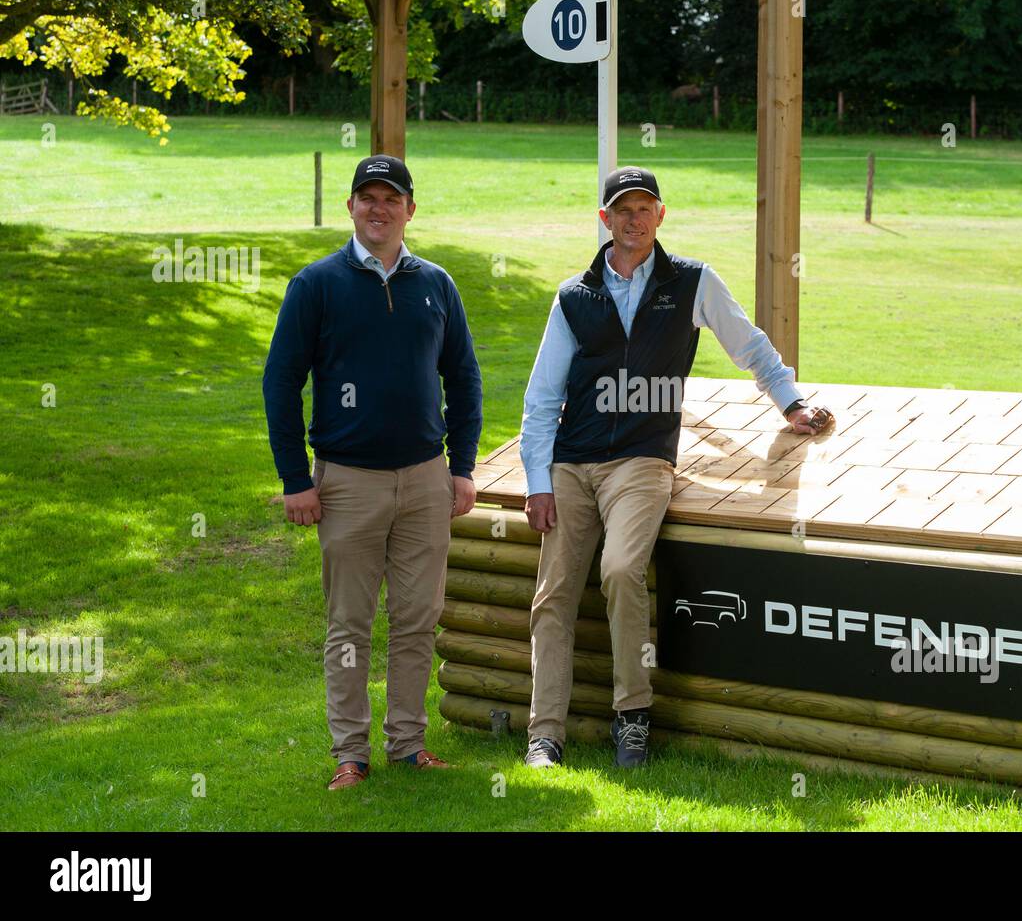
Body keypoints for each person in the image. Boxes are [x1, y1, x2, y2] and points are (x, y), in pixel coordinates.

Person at [519, 165, 832, 769]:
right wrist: (538, 482)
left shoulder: (691, 281)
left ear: (660, 216)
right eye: (622, 210)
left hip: (642, 459)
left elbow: (750, 344)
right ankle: (544, 735)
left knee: (620, 569)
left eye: (645, 209)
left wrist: (791, 402)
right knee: (552, 593)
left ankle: (631, 717)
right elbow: (541, 398)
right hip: (571, 461)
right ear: (603, 220)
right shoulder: (573, 296)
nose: (633, 220)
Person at [262, 154, 483, 790]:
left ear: (410, 209)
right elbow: (282, 383)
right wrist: (294, 478)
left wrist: (461, 468)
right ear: (351, 207)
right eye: (367, 198)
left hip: (425, 479)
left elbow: (463, 379)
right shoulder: (316, 285)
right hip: (346, 483)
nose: (378, 208)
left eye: (391, 198)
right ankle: (349, 754)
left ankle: (408, 744)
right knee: (351, 625)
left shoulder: (436, 285)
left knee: (417, 618)